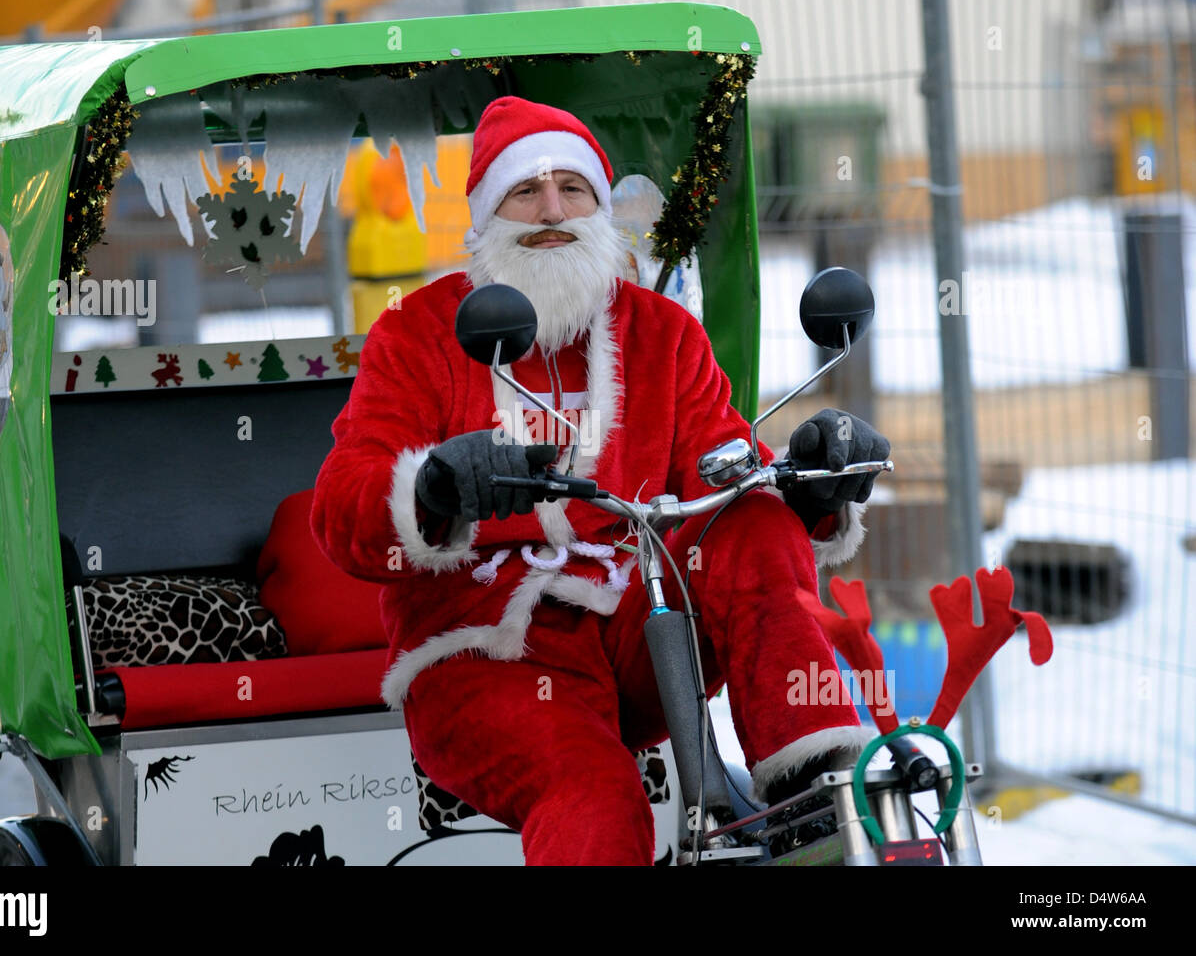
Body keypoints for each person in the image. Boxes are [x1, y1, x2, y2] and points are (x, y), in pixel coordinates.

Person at [312, 96, 891, 865]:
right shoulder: (418, 334)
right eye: (526, 190)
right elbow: (342, 504)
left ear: (599, 210)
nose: (551, 208)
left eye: (572, 189)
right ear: (486, 216)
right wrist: (436, 488)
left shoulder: (661, 333)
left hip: (637, 626)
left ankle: (813, 789)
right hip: (486, 650)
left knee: (751, 517)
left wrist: (812, 488)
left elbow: (726, 472)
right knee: (596, 791)